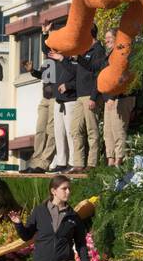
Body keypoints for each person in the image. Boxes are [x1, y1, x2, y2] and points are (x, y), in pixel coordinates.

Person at [70, 27, 107, 172]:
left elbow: (98, 72)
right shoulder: (83, 50)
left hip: (91, 96)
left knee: (92, 130)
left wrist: (94, 96)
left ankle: (92, 164)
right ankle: (78, 163)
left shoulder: (98, 50)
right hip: (80, 96)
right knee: (75, 129)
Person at [100, 28, 133, 166]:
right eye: (106, 38)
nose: (107, 40)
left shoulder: (122, 54)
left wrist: (113, 96)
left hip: (121, 98)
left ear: (116, 39)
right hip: (109, 99)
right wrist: (107, 97)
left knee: (118, 129)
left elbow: (122, 78)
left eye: (110, 38)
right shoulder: (107, 57)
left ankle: (119, 159)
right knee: (108, 132)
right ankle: (110, 159)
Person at [28, 36, 58, 173]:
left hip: (55, 98)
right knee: (40, 130)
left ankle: (44, 162)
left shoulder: (60, 59)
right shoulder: (47, 60)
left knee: (51, 131)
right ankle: (35, 163)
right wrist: (33, 71)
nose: (47, 49)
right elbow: (44, 75)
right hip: (44, 99)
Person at [49, 49, 78, 173]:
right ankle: (61, 161)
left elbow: (80, 78)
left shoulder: (78, 61)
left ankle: (72, 162)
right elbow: (47, 46)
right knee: (59, 132)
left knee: (71, 133)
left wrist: (69, 86)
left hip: (71, 99)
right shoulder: (63, 59)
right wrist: (45, 32)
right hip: (59, 100)